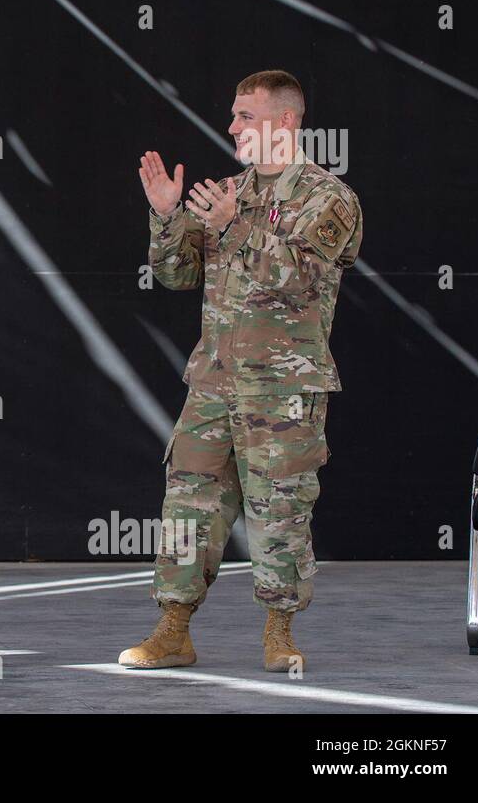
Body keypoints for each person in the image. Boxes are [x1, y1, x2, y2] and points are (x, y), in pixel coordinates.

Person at [123, 69, 362, 672]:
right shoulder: (229, 191)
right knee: (187, 505)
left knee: (280, 510)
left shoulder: (328, 199)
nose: (231, 126)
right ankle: (172, 630)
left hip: (282, 392)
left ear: (284, 123)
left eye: (244, 116)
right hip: (213, 383)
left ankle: (279, 635)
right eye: (232, 115)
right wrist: (167, 216)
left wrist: (235, 225)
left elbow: (301, 279)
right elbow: (178, 275)